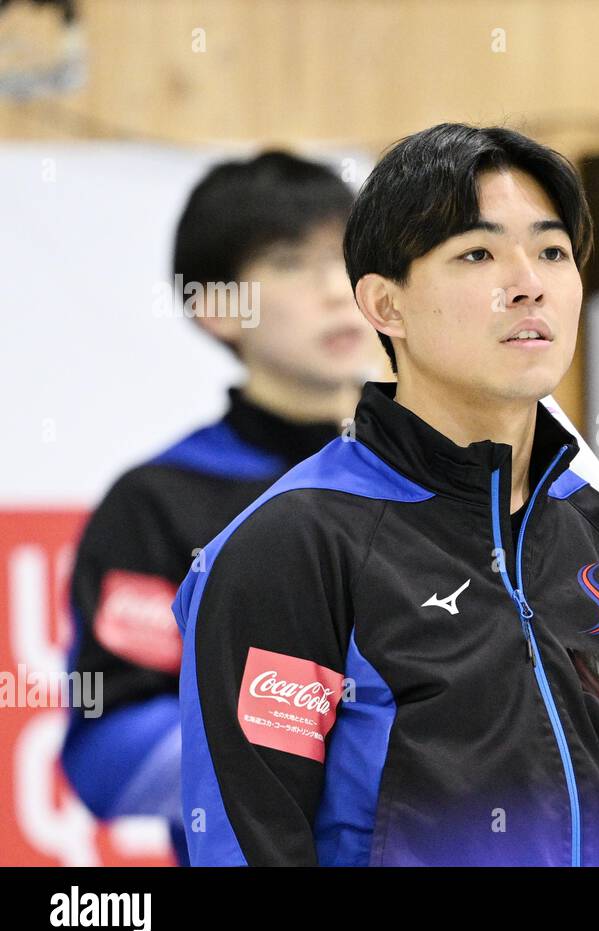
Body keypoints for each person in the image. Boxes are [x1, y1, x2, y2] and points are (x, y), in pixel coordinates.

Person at [174, 123, 599, 866]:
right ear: (384, 305)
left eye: (551, 251)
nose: (528, 281)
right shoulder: (291, 546)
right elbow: (248, 843)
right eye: (477, 253)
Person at [61, 150, 380, 864]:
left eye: (348, 257)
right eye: (294, 263)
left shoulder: (453, 468)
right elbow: (107, 756)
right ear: (214, 308)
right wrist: (348, 754)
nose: (338, 290)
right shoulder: (160, 502)